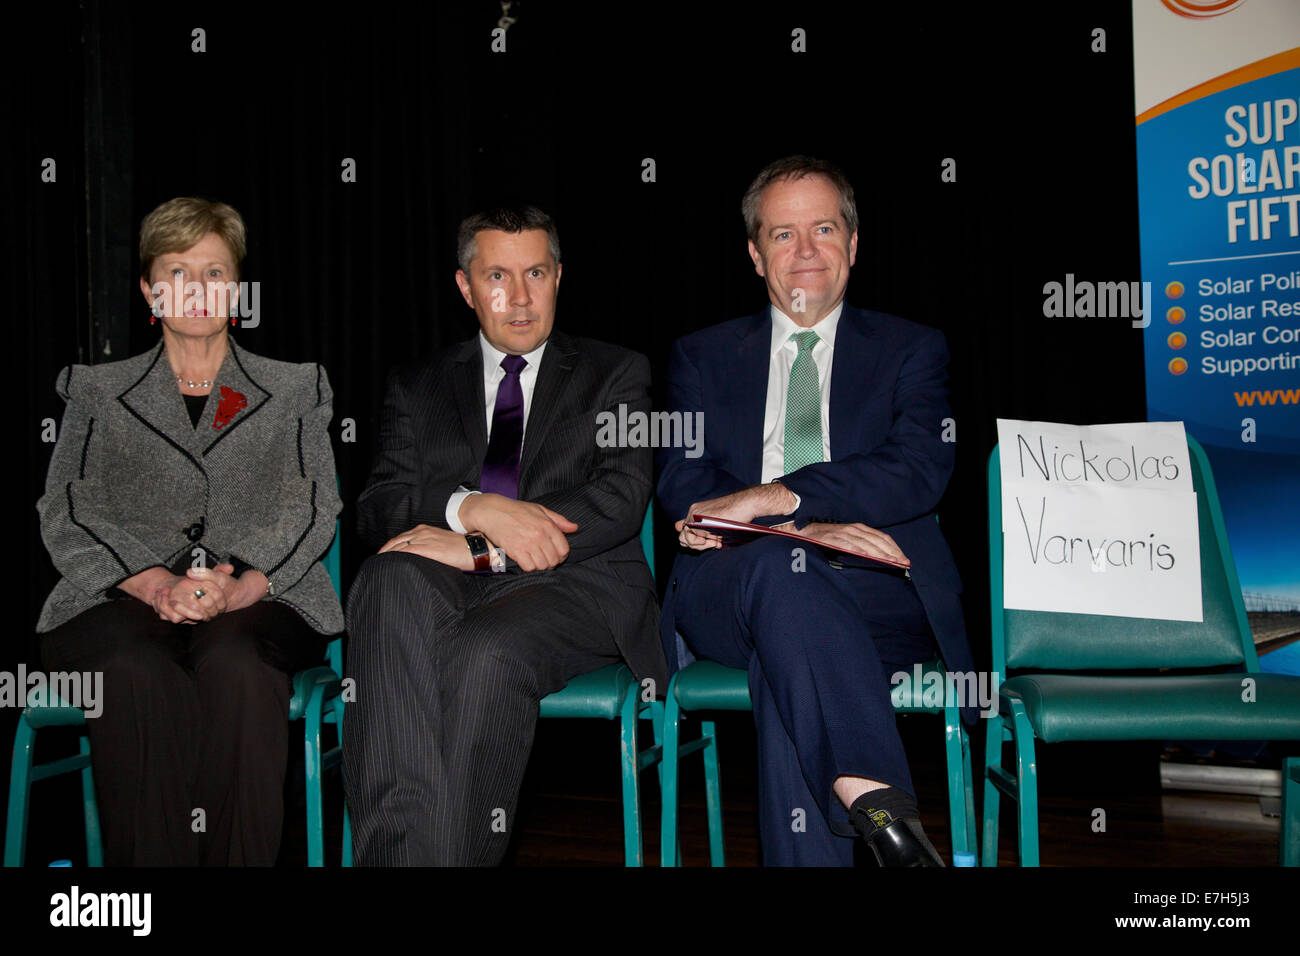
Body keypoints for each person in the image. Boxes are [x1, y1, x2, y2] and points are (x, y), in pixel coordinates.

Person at [656, 156, 975, 866]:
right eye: (782, 234)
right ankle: (880, 806)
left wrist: (781, 496)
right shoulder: (700, 356)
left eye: (823, 229)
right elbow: (683, 483)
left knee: (792, 661)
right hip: (731, 586)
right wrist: (799, 531)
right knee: (783, 575)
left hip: (877, 587)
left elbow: (919, 468)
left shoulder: (911, 349)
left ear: (853, 244)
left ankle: (880, 817)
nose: (805, 250)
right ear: (754, 253)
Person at [343, 205, 665, 866]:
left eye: (535, 274)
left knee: (485, 650)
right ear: (465, 286)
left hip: (575, 586)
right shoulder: (418, 385)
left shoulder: (616, 371)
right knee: (385, 579)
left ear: (558, 277)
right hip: (442, 584)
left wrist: (483, 548)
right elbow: (378, 508)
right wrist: (473, 508)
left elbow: (620, 496)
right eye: (497, 276)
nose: (518, 297)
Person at [35, 197, 344, 866]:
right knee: (133, 671)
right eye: (176, 272)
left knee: (238, 666)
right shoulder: (96, 391)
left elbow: (313, 504)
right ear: (150, 291)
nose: (196, 289)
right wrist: (153, 583)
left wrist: (244, 584)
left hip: (259, 596)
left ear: (236, 289)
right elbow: (69, 509)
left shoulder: (293, 388)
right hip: (117, 598)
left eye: (214, 272)